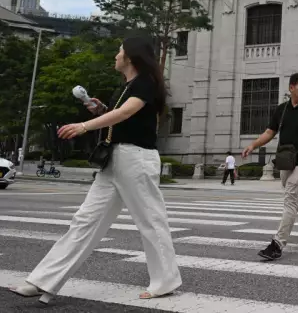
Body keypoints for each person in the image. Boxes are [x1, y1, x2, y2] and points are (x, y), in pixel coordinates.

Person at [9, 37, 181, 303]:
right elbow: (120, 117)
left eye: (120, 51)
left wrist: (84, 126)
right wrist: (100, 109)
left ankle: (165, 281)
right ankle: (43, 280)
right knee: (84, 221)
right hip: (114, 160)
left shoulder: (146, 82)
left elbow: (126, 113)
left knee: (151, 221)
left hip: (137, 160)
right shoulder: (127, 86)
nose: (116, 55)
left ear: (131, 57)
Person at [242, 72, 298, 261]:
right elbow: (269, 132)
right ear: (292, 88)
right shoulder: (282, 109)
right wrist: (253, 145)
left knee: (291, 198)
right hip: (286, 161)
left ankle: (277, 244)